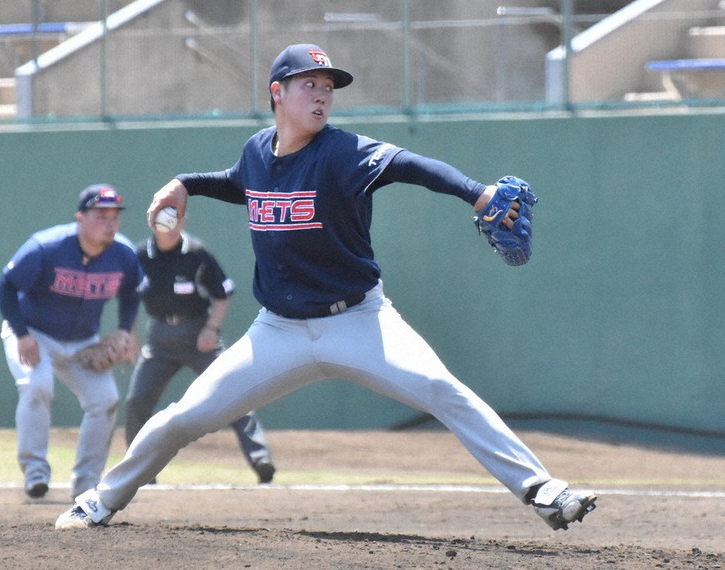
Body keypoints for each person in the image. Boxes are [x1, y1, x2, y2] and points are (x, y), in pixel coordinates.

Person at [56, 44, 597, 531]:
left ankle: (541, 489)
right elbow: (234, 181)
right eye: (309, 84)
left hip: (360, 321)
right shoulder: (257, 154)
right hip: (278, 333)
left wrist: (477, 194)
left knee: (440, 388)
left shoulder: (341, 152)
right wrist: (185, 182)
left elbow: (410, 166)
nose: (321, 96)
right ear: (278, 92)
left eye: (328, 88)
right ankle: (101, 499)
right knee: (187, 416)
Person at [0, 184, 142, 500]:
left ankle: (87, 484)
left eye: (114, 216)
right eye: (101, 215)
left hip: (82, 342)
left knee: (104, 399)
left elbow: (133, 291)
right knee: (38, 385)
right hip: (33, 332)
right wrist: (21, 335)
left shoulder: (124, 254)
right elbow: (6, 286)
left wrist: (124, 331)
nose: (109, 223)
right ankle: (35, 473)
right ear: (80, 217)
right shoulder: (46, 248)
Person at [125, 215, 276, 484]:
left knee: (234, 392)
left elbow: (222, 293)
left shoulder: (196, 252)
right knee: (137, 401)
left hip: (198, 336)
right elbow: (131, 299)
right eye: (165, 221)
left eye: (176, 220)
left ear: (182, 222)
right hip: (159, 337)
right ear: (153, 225)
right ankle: (139, 472)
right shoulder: (139, 256)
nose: (172, 227)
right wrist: (130, 335)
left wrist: (212, 329)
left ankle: (260, 458)